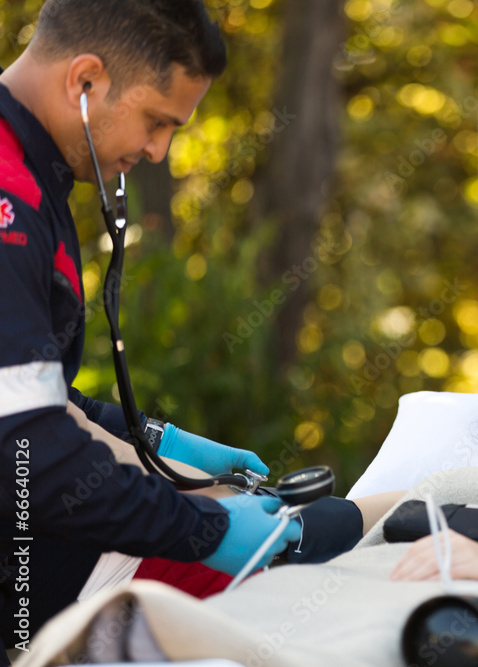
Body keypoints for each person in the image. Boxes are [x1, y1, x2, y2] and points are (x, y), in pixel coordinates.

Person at [19, 333, 478, 667]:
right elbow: (296, 530)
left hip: (474, 613)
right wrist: (192, 480)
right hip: (342, 587)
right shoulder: (430, 488)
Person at [0, 1, 303, 658]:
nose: (158, 150)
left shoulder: (29, 179)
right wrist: (206, 529)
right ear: (85, 83)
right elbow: (29, 454)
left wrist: (154, 437)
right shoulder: (7, 205)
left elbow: (25, 393)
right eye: (156, 122)